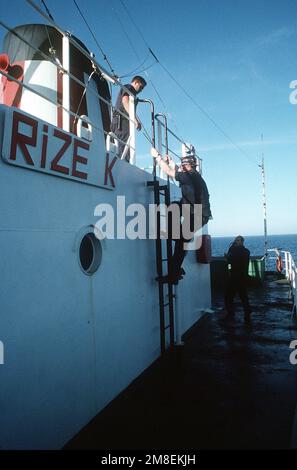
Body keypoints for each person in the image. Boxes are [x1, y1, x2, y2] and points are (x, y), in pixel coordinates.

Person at [151, 147, 212, 284]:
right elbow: (177, 171)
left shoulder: (189, 176)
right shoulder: (193, 175)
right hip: (195, 212)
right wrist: (171, 162)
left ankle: (174, 274)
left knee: (180, 242)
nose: (181, 167)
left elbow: (169, 172)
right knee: (174, 209)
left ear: (188, 166)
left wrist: (157, 157)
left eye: (183, 165)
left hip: (197, 215)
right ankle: (176, 270)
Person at [110, 76, 147, 162]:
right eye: (141, 87)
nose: (141, 90)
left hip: (120, 122)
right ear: (135, 82)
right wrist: (135, 120)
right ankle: (122, 169)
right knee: (124, 148)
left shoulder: (131, 92)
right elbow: (125, 101)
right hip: (121, 122)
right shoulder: (129, 87)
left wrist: (137, 119)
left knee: (121, 147)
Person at [224, 235, 252, 321]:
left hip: (238, 277)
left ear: (242, 241)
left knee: (231, 296)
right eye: (236, 240)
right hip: (238, 276)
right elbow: (230, 263)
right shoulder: (246, 251)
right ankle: (246, 312)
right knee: (240, 296)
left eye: (238, 240)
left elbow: (232, 261)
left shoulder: (238, 251)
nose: (236, 241)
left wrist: (228, 257)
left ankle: (231, 313)